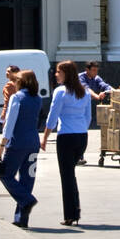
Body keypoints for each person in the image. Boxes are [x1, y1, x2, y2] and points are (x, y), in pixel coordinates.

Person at [41, 61, 91, 226]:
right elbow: (88, 117)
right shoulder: (85, 91)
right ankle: (74, 211)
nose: (56, 75)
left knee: (67, 176)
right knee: (71, 174)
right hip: (82, 136)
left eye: (58, 72)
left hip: (66, 136)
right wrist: (82, 129)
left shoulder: (61, 92)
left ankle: (71, 214)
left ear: (65, 74)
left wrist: (45, 137)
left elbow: (52, 117)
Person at [0, 69, 42, 228]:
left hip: (17, 143)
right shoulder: (37, 98)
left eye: (16, 81)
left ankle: (27, 200)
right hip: (33, 143)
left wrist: (2, 145)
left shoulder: (17, 98)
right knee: (27, 179)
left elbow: (9, 124)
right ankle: (21, 218)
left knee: (5, 174)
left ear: (21, 82)